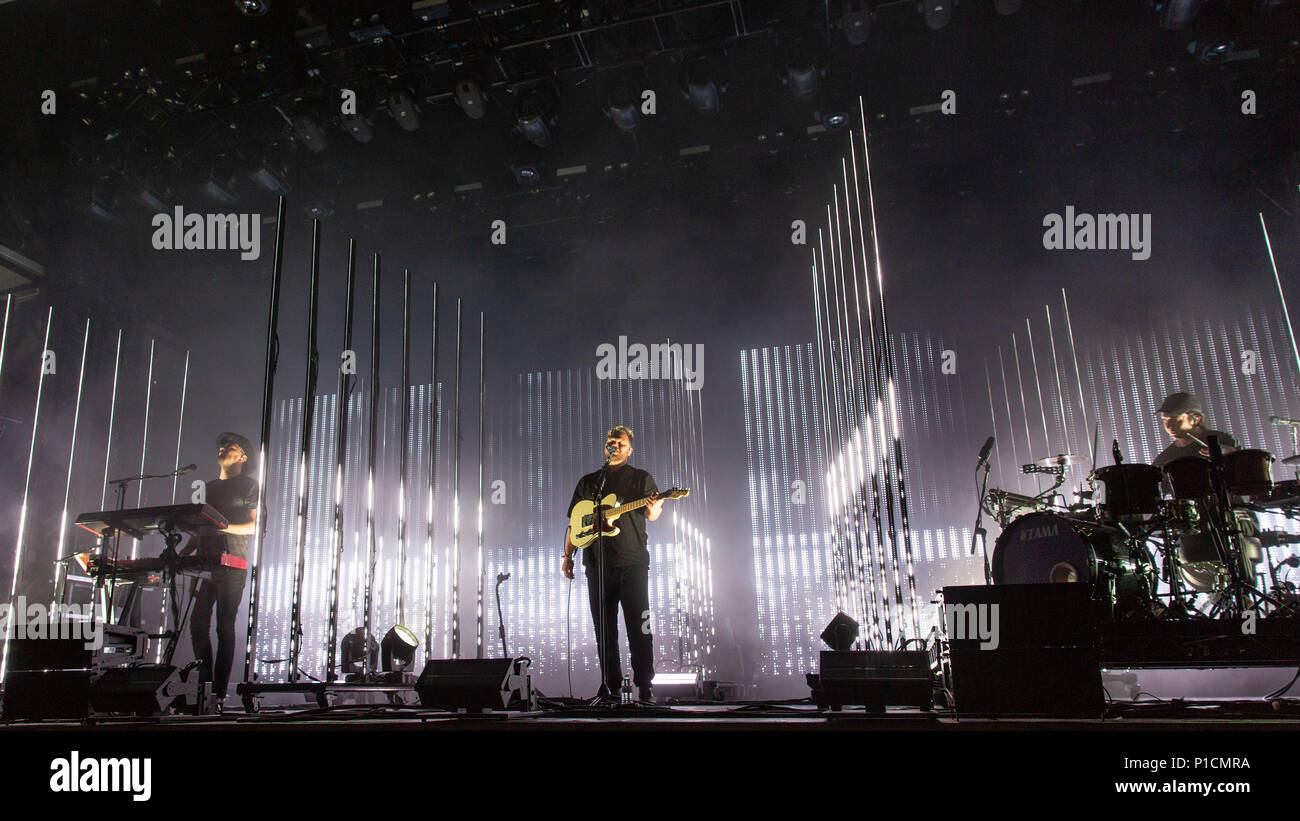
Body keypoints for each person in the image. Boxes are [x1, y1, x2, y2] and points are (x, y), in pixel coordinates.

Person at [561, 425, 663, 702]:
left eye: (620, 442)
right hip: (596, 564)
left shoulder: (641, 478)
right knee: (603, 628)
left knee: (639, 626)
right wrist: (567, 555)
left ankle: (645, 685)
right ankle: (610, 686)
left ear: (630, 449)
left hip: (632, 562)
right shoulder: (589, 482)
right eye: (610, 441)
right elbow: (575, 523)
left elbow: (652, 515)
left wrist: (654, 506)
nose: (614, 445)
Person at [189, 431, 260, 703]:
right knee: (197, 624)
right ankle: (204, 686)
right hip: (204, 564)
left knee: (224, 626)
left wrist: (225, 526)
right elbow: (198, 530)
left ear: (242, 457)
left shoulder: (249, 486)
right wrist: (180, 552)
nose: (222, 448)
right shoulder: (206, 487)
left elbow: (254, 525)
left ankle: (217, 692)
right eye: (221, 445)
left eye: (229, 447)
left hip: (232, 564)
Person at [1151, 391, 1239, 470]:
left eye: (1174, 419)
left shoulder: (1223, 440)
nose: (1168, 425)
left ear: (1196, 419)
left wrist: (1228, 452)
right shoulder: (1164, 460)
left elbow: (1244, 466)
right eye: (1165, 420)